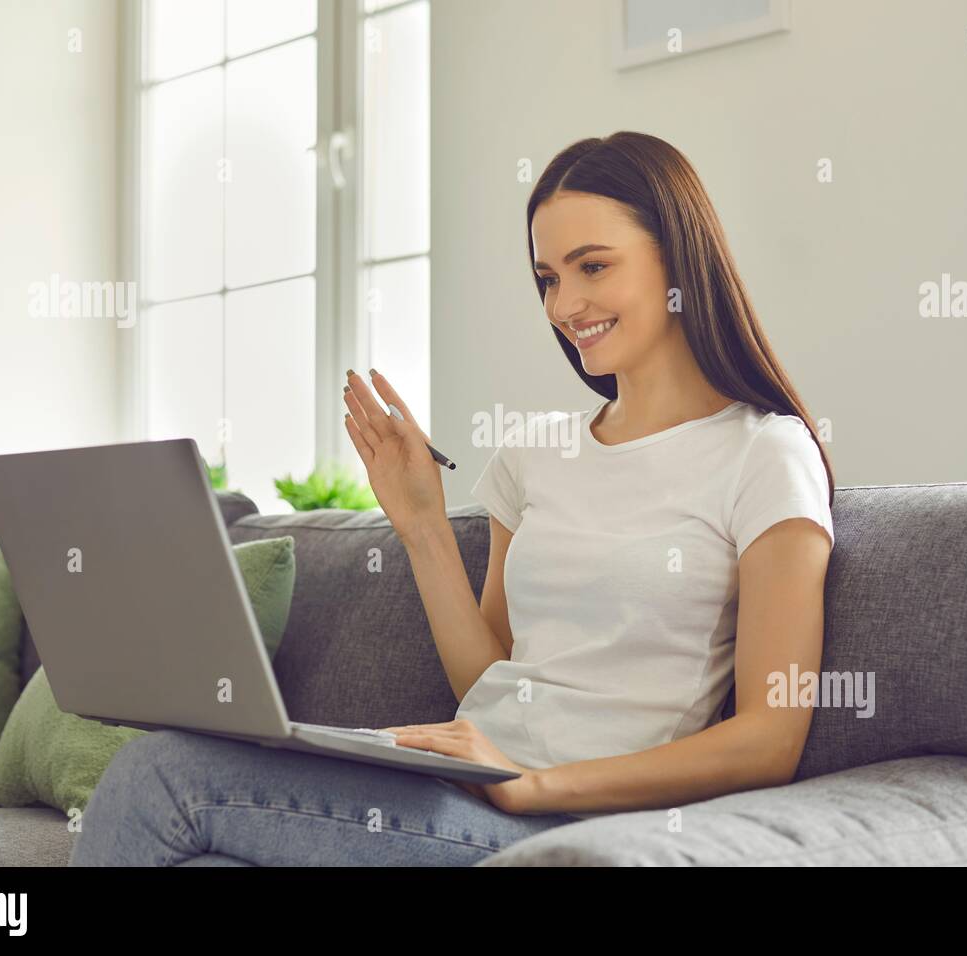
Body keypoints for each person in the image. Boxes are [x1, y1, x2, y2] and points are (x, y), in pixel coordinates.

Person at [70, 131, 835, 866]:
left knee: (161, 779)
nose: (563, 306)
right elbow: (489, 681)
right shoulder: (535, 454)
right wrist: (424, 526)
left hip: (570, 819)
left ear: (678, 259)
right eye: (547, 279)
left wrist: (534, 785)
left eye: (592, 267)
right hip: (459, 783)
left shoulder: (764, 454)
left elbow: (770, 737)